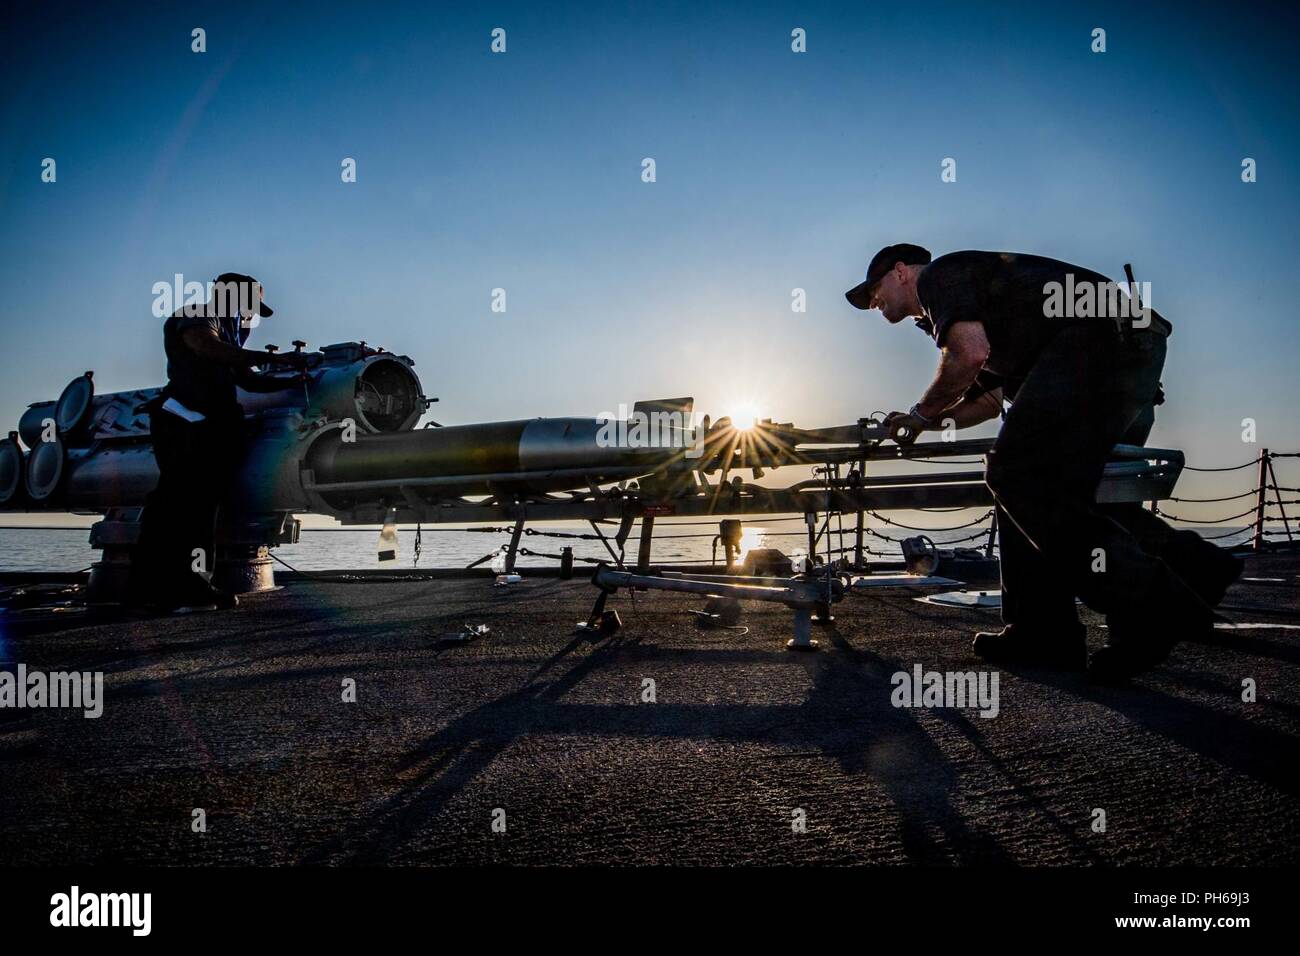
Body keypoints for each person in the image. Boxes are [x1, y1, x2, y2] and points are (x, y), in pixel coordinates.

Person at [845, 245, 1242, 681]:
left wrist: (921, 412)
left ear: (901, 271)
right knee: (1062, 492)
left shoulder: (941, 276)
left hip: (1098, 343)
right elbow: (989, 399)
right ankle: (1052, 625)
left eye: (873, 289)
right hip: (1129, 346)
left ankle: (1149, 607)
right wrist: (927, 422)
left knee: (1021, 477)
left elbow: (968, 355)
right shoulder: (990, 302)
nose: (872, 302)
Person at [126, 273, 307, 612]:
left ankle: (160, 586)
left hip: (208, 425)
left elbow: (247, 381)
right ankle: (183, 586)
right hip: (186, 421)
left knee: (195, 504)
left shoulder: (231, 335)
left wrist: (290, 378)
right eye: (249, 304)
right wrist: (270, 359)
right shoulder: (199, 314)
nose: (250, 314)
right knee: (184, 503)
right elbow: (205, 346)